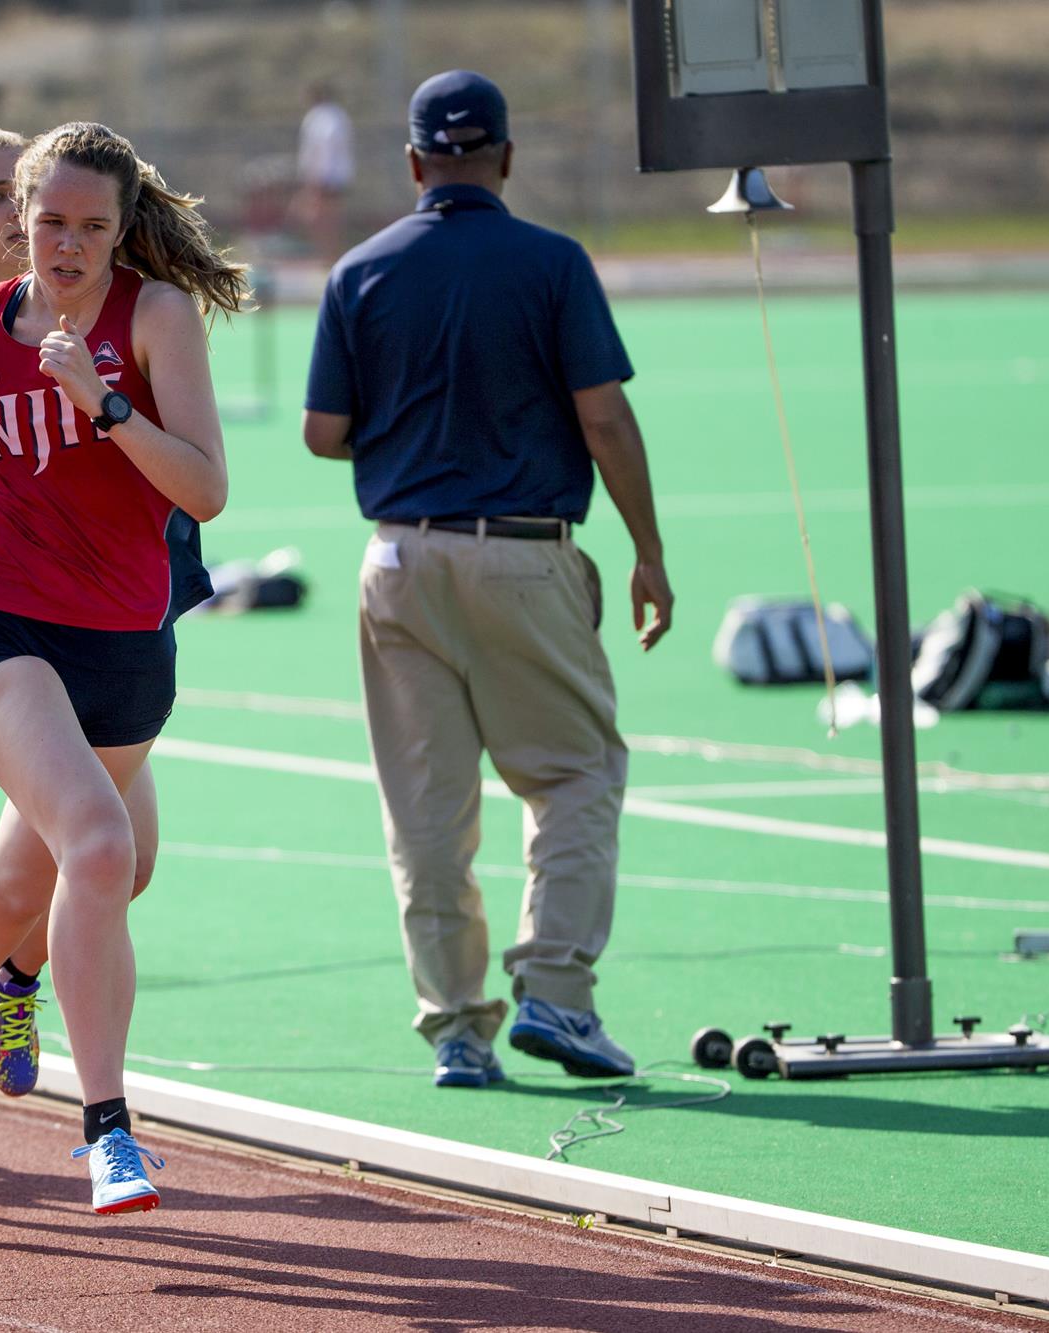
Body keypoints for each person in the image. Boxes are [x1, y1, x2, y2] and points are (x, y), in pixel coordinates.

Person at [0, 121, 245, 1214]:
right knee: (101, 846)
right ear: (14, 223)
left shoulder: (155, 319)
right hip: (3, 632)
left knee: (22, 881)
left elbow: (205, 490)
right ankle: (108, 1130)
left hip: (123, 645)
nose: (67, 247)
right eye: (49, 223)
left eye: (92, 227)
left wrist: (105, 405)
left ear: (123, 232)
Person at [302, 71, 673, 1090]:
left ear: (413, 163)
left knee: (425, 809)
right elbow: (601, 416)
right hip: (520, 551)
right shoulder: (550, 262)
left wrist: (409, 436)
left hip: (395, 559)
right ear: (504, 158)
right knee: (570, 774)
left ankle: (457, 1027)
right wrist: (644, 548)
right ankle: (552, 988)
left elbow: (321, 432)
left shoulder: (360, 269)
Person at [294, 82, 355, 261]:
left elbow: (324, 148)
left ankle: (329, 254)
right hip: (332, 175)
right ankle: (328, 254)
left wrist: (317, 179)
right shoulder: (336, 115)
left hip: (325, 177)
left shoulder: (322, 117)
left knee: (322, 218)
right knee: (326, 217)